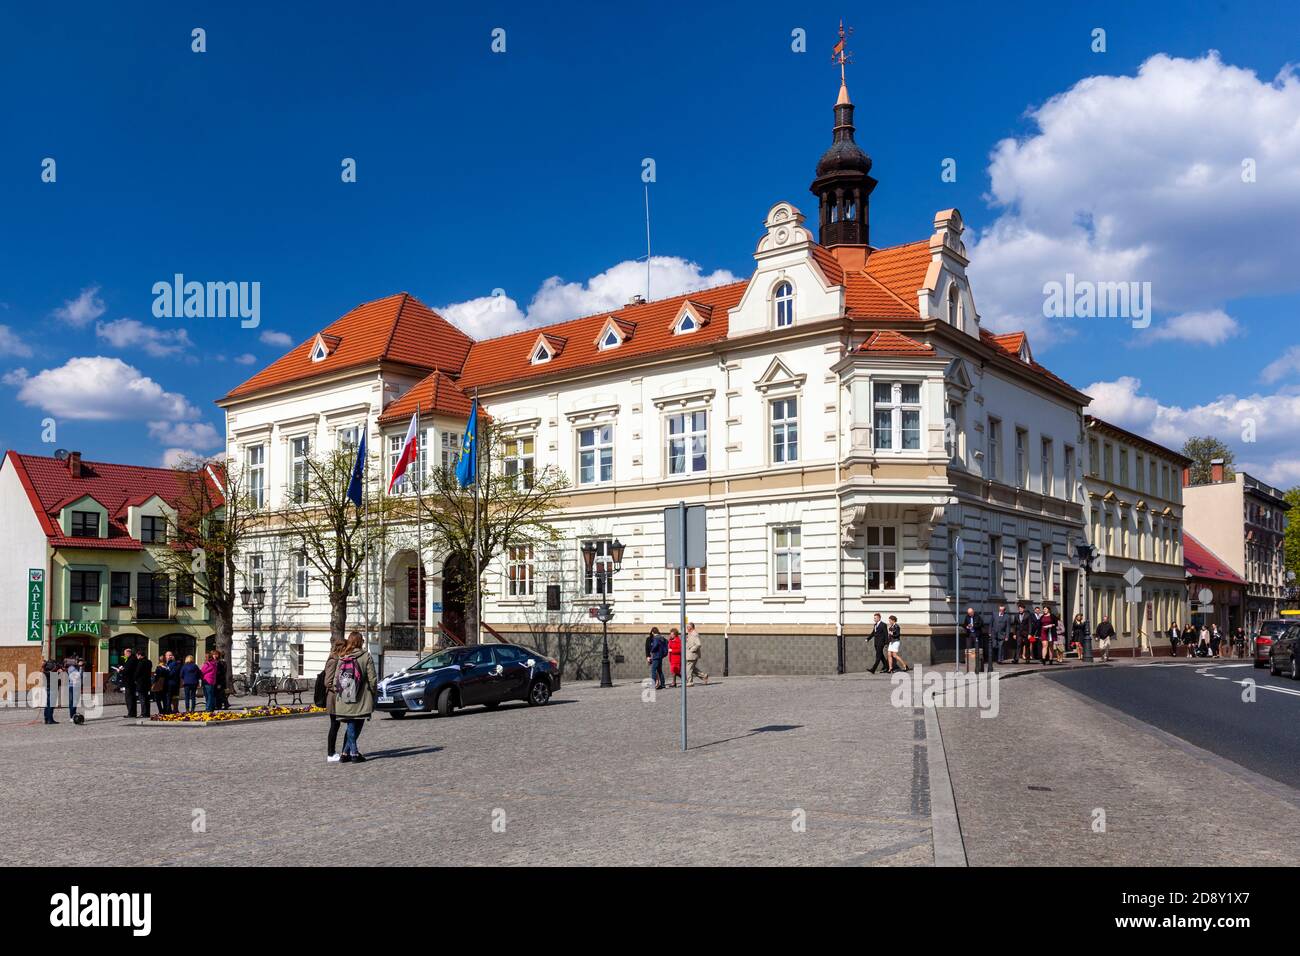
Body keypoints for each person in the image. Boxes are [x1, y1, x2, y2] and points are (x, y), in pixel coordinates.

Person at [333, 631, 377, 762]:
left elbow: (336, 679)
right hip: (361, 698)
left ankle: (345, 754)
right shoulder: (365, 656)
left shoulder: (342, 657)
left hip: (344, 697)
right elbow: (372, 679)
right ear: (360, 642)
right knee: (355, 724)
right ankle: (354, 753)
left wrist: (339, 692)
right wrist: (374, 692)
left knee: (351, 723)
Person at [322, 637, 346, 763]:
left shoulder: (337, 658)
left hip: (336, 697)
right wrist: (339, 689)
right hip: (333, 697)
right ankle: (330, 753)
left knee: (336, 725)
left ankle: (336, 752)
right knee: (334, 725)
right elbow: (328, 682)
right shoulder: (334, 659)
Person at [119, 647, 139, 718]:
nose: (124, 655)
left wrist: (120, 670)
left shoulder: (131, 660)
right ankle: (132, 713)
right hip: (131, 681)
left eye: (125, 654)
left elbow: (127, 670)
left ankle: (131, 713)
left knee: (129, 697)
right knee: (132, 697)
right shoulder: (133, 659)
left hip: (129, 681)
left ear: (128, 653)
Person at [961, 607, 984, 671]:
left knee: (977, 647)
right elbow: (964, 624)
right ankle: (969, 660)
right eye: (968, 613)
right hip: (969, 634)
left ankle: (977, 659)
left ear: (973, 612)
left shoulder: (977, 616)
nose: (969, 614)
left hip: (976, 634)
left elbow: (981, 624)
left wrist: (973, 625)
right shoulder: (967, 617)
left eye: (970, 613)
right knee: (969, 647)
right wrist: (967, 626)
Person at [41, 658, 62, 724]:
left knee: (48, 704)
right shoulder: (52, 672)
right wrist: (59, 672)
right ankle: (50, 719)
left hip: (48, 687)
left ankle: (46, 719)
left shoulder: (45, 671)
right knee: (51, 704)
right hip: (53, 688)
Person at [134, 653, 153, 718]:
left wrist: (134, 678)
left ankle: (143, 713)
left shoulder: (140, 662)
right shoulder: (149, 662)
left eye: (137, 656)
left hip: (141, 683)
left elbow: (137, 672)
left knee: (142, 698)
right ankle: (147, 712)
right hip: (147, 682)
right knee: (147, 698)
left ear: (140, 655)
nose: (137, 657)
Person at [66, 656, 83, 723]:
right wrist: (81, 667)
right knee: (72, 702)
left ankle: (73, 714)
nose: (78, 662)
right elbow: (78, 676)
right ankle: (71, 716)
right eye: (77, 661)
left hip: (77, 686)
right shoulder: (71, 668)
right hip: (73, 687)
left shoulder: (76, 667)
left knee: (75, 701)